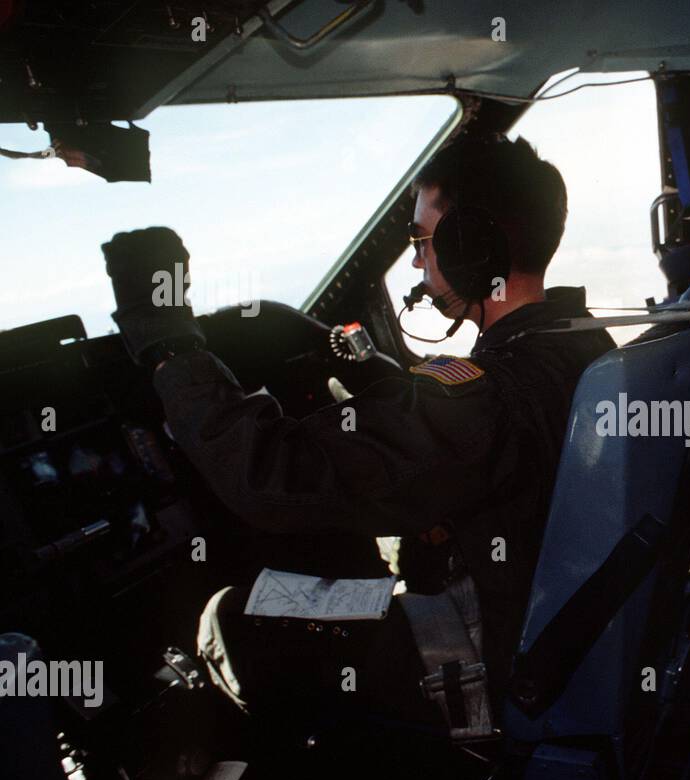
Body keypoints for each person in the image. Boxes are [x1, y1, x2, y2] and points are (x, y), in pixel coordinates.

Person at [105, 134, 614, 735]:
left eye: (425, 243)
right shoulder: (581, 344)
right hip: (561, 631)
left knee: (231, 616)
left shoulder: (486, 398)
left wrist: (166, 339)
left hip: (490, 657)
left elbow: (269, 475)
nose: (419, 263)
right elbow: (451, 436)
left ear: (475, 246)